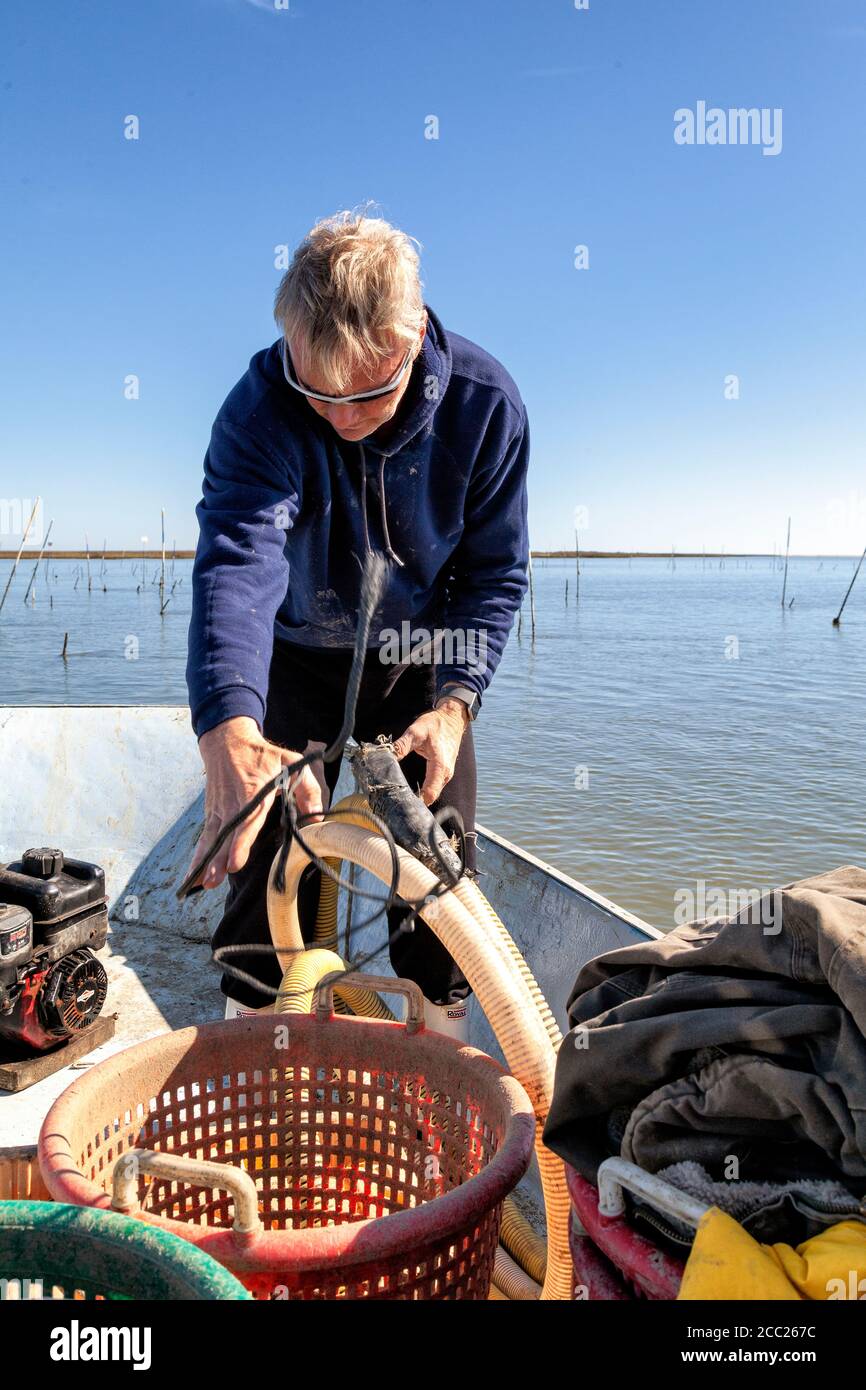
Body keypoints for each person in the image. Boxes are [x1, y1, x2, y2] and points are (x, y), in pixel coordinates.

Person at [185, 210, 530, 1038]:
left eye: (368, 392)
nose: (340, 416)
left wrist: (456, 706)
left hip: (423, 666)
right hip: (296, 658)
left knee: (440, 872)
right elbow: (237, 561)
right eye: (318, 392)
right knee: (269, 865)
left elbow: (492, 573)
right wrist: (228, 727)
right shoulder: (260, 409)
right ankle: (257, 1060)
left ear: (414, 336)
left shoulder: (488, 407)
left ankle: (441, 1071)